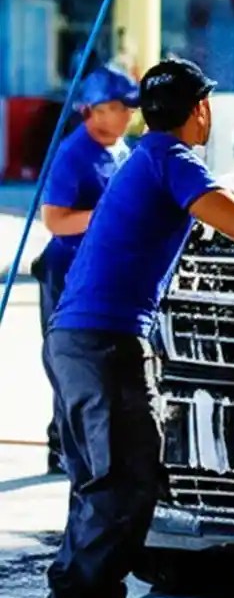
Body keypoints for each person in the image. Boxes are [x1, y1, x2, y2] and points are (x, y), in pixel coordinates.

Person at [44, 57, 234, 598]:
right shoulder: (172, 160)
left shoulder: (148, 158)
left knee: (100, 489)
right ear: (201, 109)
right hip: (107, 345)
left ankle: (79, 591)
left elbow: (231, 201)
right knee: (122, 490)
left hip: (72, 343)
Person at [34, 65, 136, 475]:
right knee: (70, 364)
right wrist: (106, 217)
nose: (127, 114)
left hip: (102, 270)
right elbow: (55, 220)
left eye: (129, 106)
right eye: (116, 107)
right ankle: (63, 444)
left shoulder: (124, 149)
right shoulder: (73, 155)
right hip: (66, 272)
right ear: (90, 111)